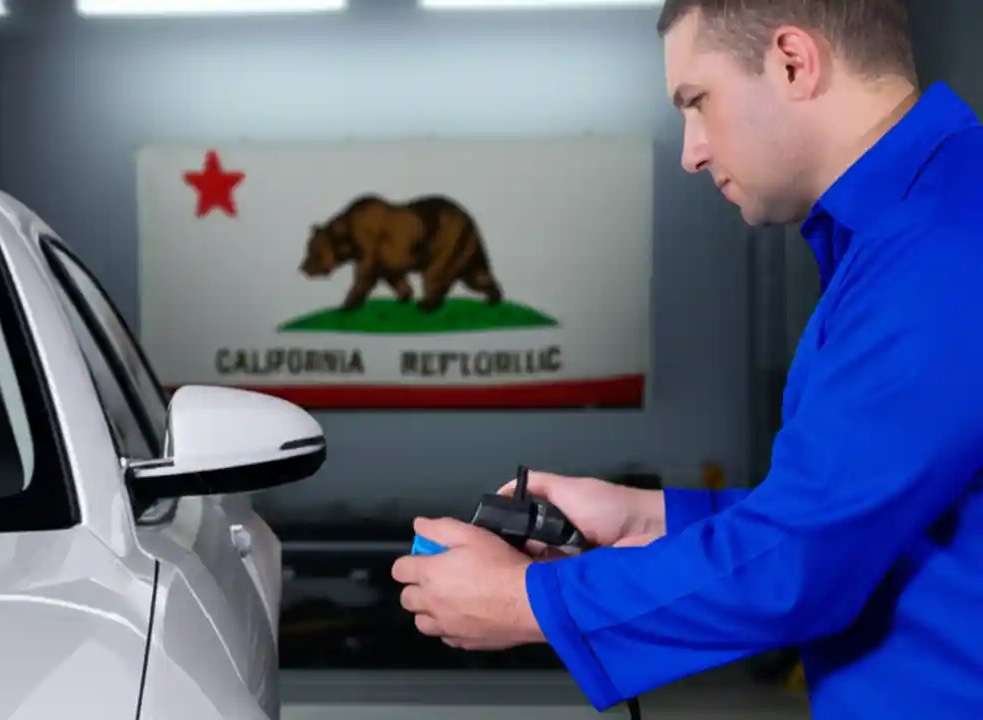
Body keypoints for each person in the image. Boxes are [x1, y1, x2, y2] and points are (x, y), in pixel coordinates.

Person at [390, 0, 983, 717]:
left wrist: (525, 600)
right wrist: (648, 518)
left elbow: (800, 562)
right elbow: (865, 512)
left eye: (697, 102)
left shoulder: (943, 247)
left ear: (793, 62)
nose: (691, 152)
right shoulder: (917, 227)